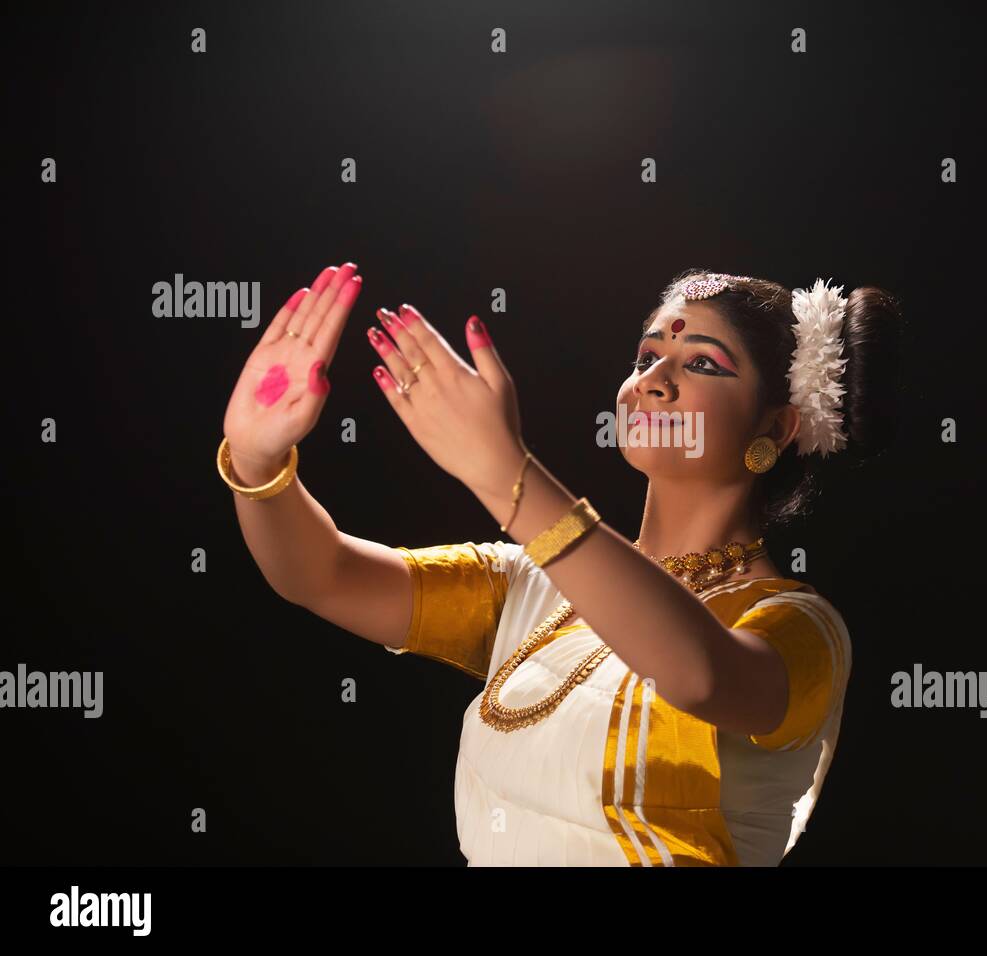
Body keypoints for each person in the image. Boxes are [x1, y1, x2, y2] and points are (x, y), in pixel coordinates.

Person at [218, 264, 904, 865]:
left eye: (702, 363)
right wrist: (256, 461)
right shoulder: (530, 582)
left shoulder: (801, 629)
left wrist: (505, 477)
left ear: (776, 428)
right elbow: (319, 575)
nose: (653, 382)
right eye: (646, 356)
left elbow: (697, 675)